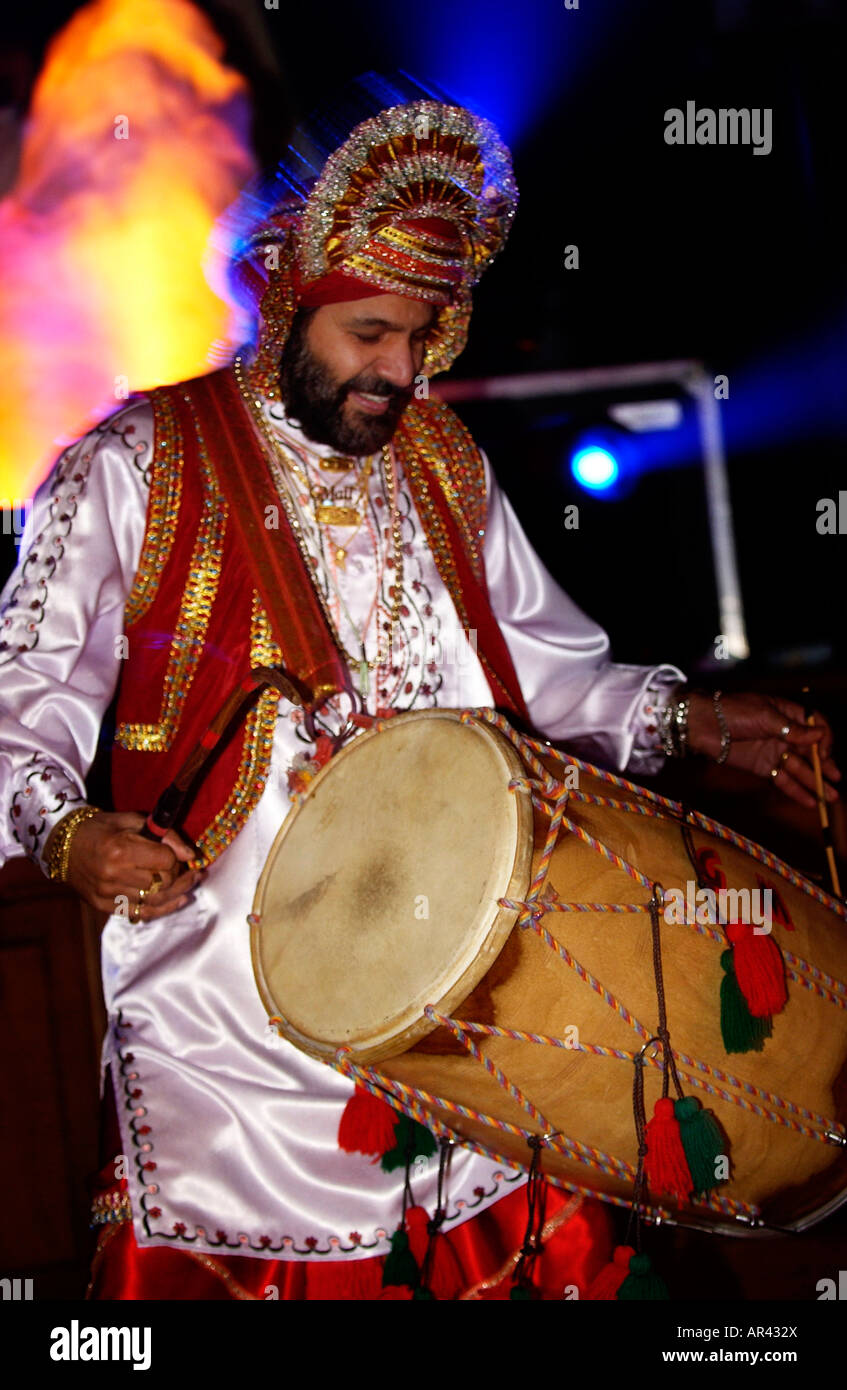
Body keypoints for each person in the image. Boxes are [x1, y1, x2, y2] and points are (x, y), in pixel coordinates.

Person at [0, 74, 839, 1301]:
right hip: (229, 1027)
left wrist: (694, 717)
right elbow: (19, 702)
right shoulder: (135, 466)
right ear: (288, 303)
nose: (399, 370)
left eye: (421, 335)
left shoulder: (439, 461)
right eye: (368, 336)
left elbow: (548, 678)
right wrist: (67, 833)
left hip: (474, 990)